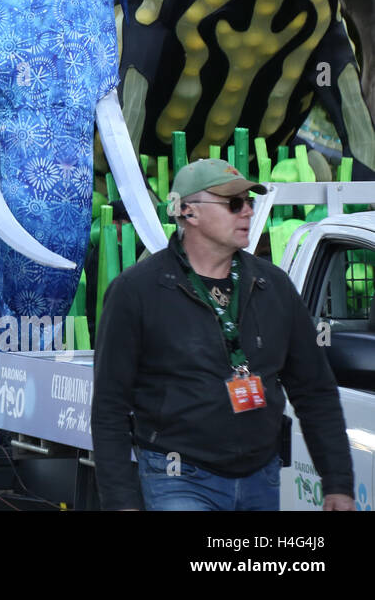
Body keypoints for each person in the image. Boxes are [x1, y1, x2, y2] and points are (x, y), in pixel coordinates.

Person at [92, 158, 355, 510]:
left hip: (261, 474)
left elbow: (314, 390)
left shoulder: (273, 286)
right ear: (188, 212)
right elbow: (110, 406)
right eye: (233, 203)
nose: (247, 211)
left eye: (249, 202)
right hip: (178, 476)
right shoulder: (137, 291)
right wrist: (121, 502)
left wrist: (338, 483)